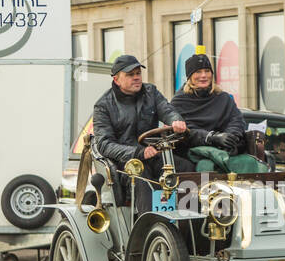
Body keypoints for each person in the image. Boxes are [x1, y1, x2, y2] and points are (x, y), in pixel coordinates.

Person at [91, 55, 188, 215]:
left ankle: (189, 220)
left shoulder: (151, 92)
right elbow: (104, 144)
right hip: (124, 163)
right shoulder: (103, 106)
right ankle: (148, 226)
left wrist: (176, 120)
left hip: (153, 154)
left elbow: (167, 110)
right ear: (117, 80)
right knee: (141, 176)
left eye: (138, 73)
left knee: (187, 169)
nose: (136, 78)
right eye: (130, 75)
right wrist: (137, 153)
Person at [170, 52, 245, 158]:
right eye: (198, 72)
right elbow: (184, 131)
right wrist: (212, 138)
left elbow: (236, 120)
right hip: (192, 157)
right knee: (205, 170)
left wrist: (230, 138)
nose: (204, 75)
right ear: (190, 76)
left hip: (225, 152)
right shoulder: (179, 101)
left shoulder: (223, 98)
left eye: (207, 71)